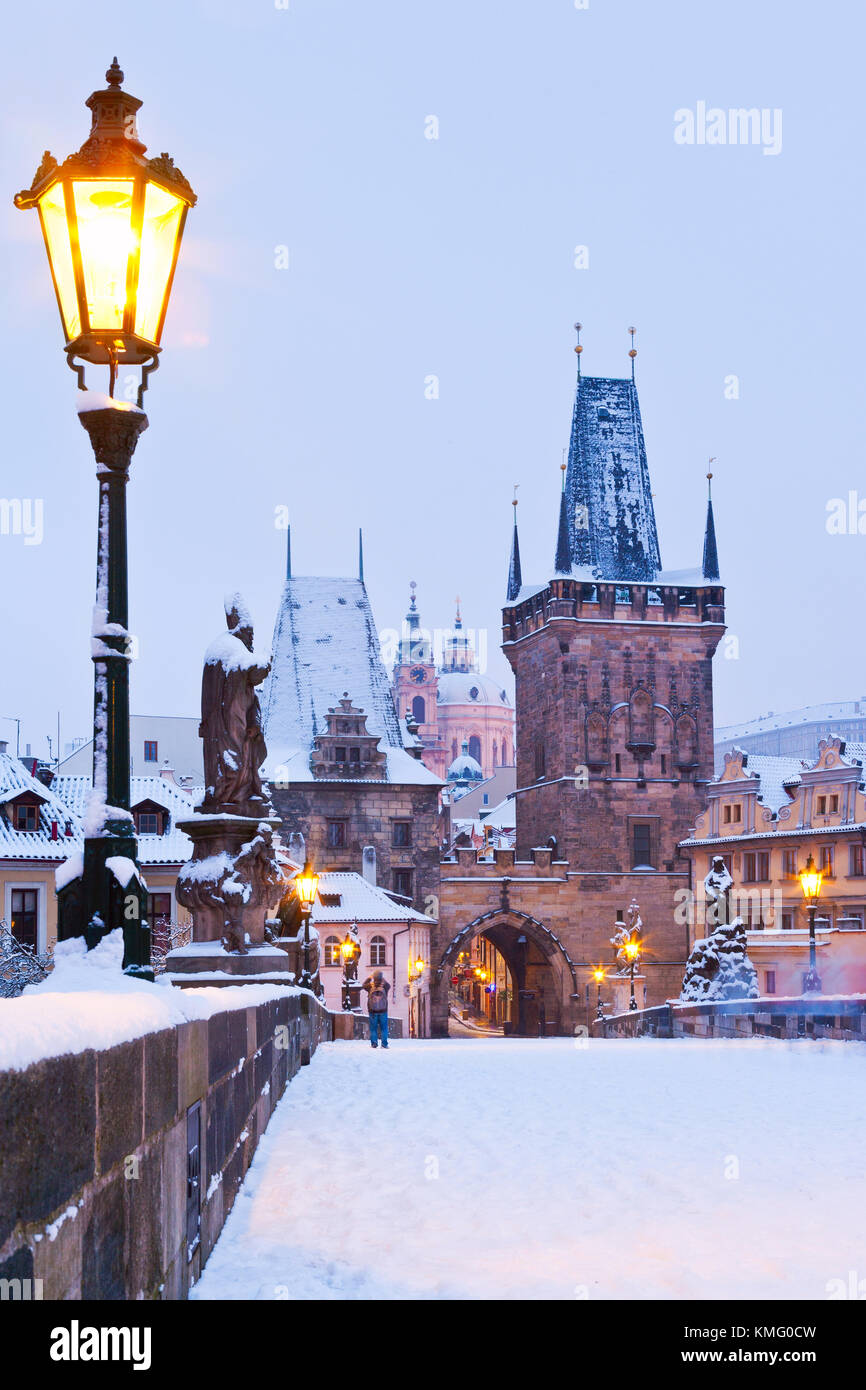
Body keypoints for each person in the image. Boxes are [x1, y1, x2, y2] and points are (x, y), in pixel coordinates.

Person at [362, 970, 391, 1048]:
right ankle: (384, 1044)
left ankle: (374, 1043)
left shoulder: (370, 986)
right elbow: (389, 985)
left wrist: (369, 977)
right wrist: (383, 979)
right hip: (383, 1010)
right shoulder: (385, 986)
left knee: (373, 1028)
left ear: (374, 977)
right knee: (384, 1028)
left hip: (372, 1011)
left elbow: (363, 985)